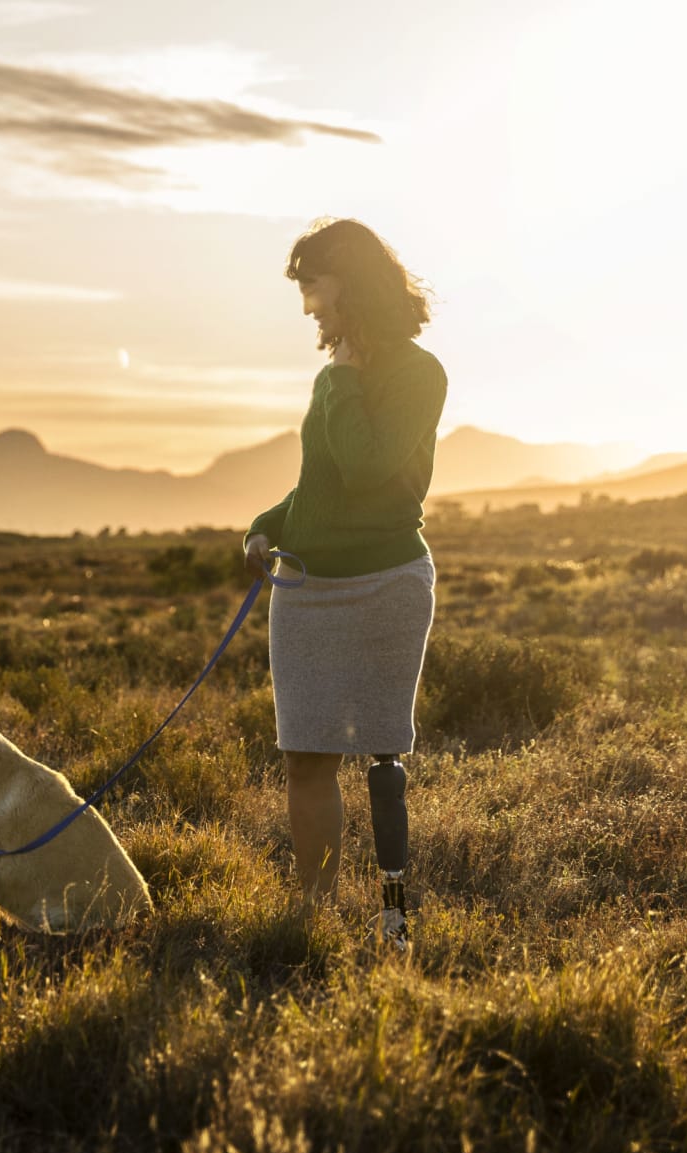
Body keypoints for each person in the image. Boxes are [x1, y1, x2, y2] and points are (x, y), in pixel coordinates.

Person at [240, 218, 446, 948]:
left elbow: (370, 472)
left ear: (351, 284)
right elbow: (320, 485)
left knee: (382, 752)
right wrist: (269, 522)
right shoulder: (340, 376)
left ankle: (394, 916)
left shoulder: (416, 374)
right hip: (308, 590)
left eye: (314, 289)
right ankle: (314, 917)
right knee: (306, 754)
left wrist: (344, 379)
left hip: (387, 583)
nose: (306, 309)